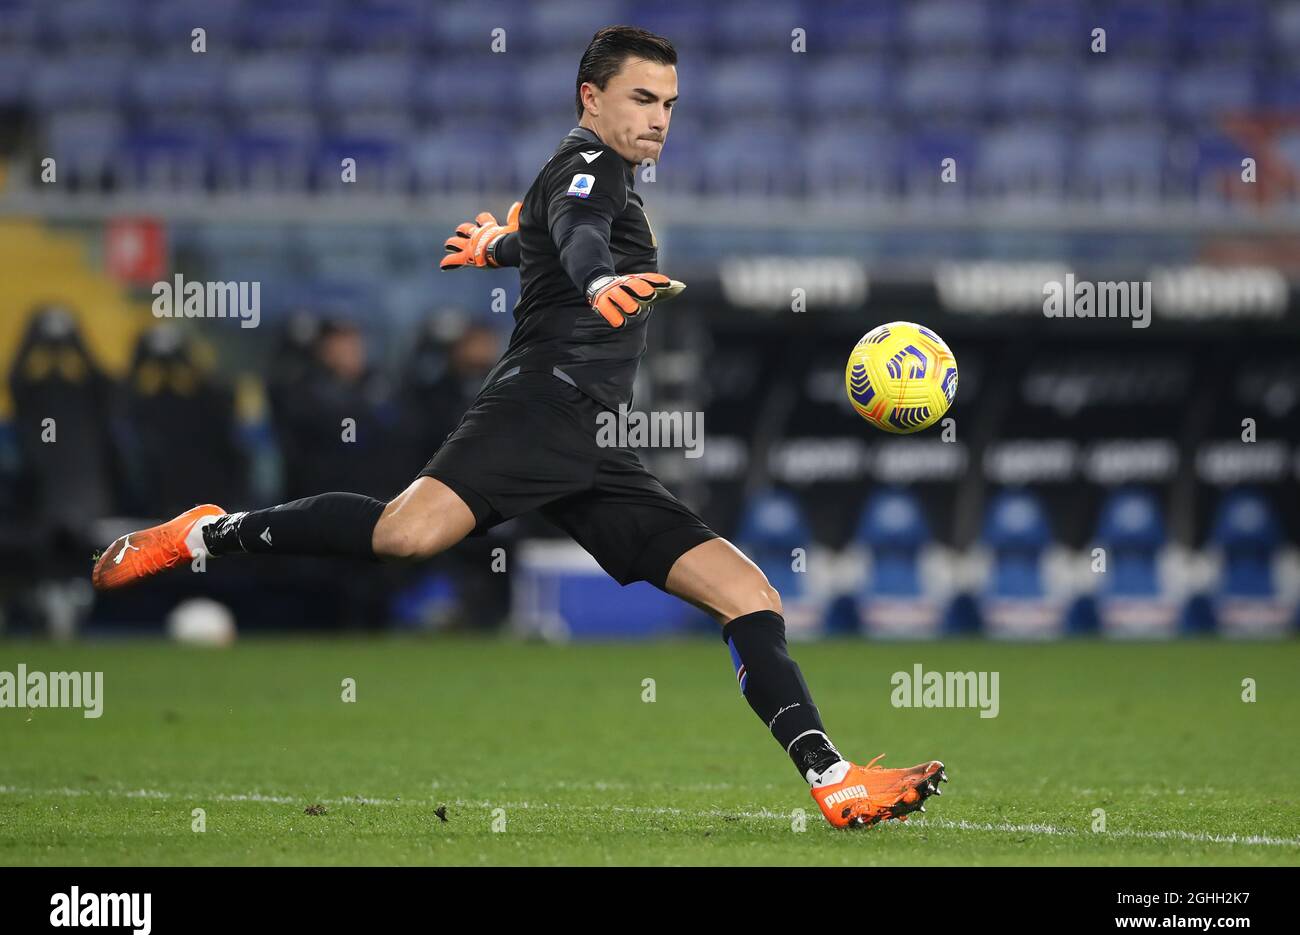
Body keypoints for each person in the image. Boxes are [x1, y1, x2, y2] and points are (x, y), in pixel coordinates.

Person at [91, 25, 945, 829]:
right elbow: (577, 233)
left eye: (670, 104)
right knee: (402, 535)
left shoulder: (584, 171)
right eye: (643, 99)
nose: (659, 119)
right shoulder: (590, 168)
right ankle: (207, 535)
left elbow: (553, 227)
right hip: (538, 409)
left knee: (748, 594)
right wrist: (599, 281)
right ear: (591, 98)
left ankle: (834, 782)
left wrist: (501, 245)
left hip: (591, 442)